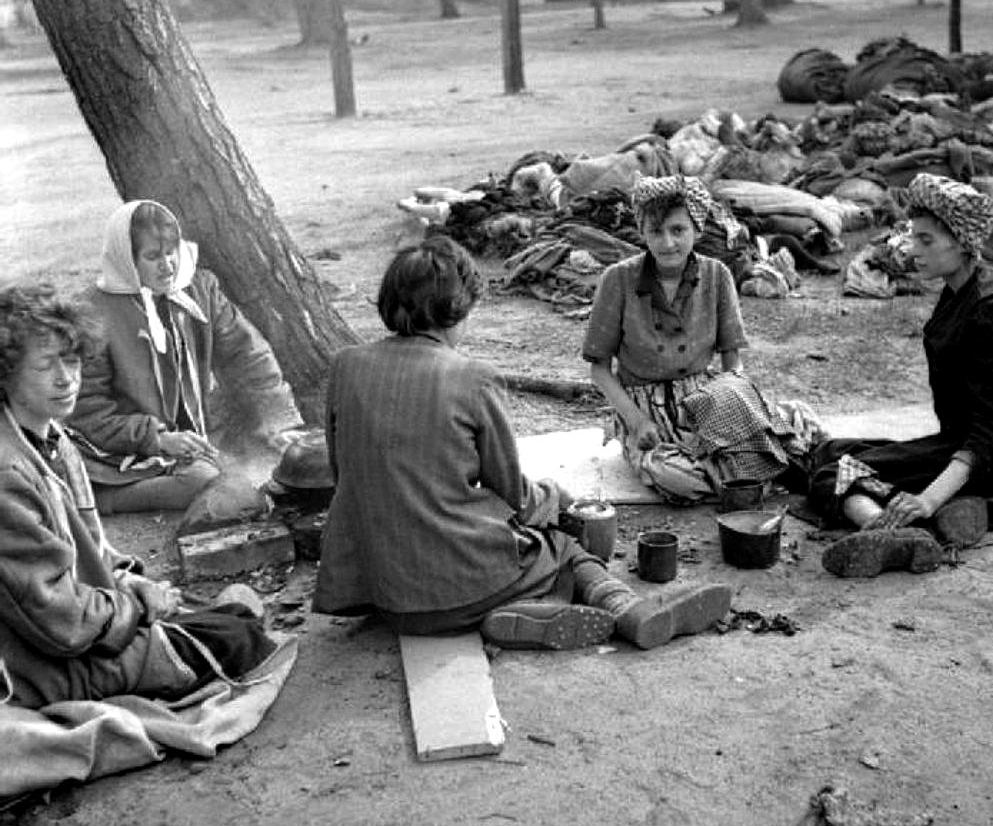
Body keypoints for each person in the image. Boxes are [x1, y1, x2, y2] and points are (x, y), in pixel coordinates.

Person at [312, 235, 732, 651]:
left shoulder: (345, 366)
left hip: (383, 594)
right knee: (560, 547)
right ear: (459, 310)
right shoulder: (473, 378)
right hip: (457, 590)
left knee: (491, 533)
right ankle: (628, 611)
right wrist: (557, 499)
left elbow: (343, 470)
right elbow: (512, 492)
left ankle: (516, 617)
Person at [0, 283, 277, 708]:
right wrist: (137, 605)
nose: (66, 378)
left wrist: (132, 581)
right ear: (7, 372)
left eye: (72, 360)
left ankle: (213, 622)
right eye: (45, 367)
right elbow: (60, 623)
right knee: (238, 639)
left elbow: (91, 551)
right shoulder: (7, 473)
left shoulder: (54, 438)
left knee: (225, 622)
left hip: (83, 624)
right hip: (33, 664)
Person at [808, 173, 993, 577]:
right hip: (971, 444)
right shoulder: (964, 285)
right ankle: (976, 509)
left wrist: (929, 499)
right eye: (912, 236)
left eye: (926, 241)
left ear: (961, 241)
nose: (912, 250)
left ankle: (888, 533)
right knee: (831, 450)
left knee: (833, 472)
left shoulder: (989, 309)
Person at [583, 174, 823, 504]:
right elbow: (599, 370)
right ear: (642, 232)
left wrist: (733, 401)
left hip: (706, 398)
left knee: (790, 427)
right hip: (645, 410)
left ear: (697, 229)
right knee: (674, 478)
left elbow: (732, 359)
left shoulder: (717, 275)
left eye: (678, 230)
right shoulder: (618, 279)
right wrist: (636, 422)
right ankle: (748, 476)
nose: (667, 243)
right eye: (656, 231)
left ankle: (745, 470)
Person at [69, 200, 299, 515]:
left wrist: (279, 422)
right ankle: (106, 497)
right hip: (124, 446)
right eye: (152, 256)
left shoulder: (200, 289)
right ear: (127, 259)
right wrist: (158, 438)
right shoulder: (97, 312)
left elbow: (249, 358)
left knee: (276, 461)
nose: (167, 266)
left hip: (197, 434)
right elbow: (87, 411)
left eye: (171, 252)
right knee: (205, 479)